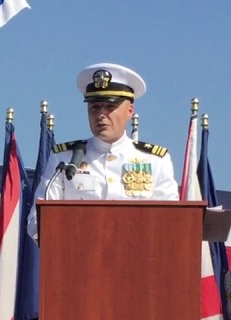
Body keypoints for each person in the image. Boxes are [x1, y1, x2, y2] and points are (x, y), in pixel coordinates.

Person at [25, 62, 177, 238]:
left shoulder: (156, 160)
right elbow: (37, 221)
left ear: (130, 111)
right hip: (76, 259)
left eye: (110, 107)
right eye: (95, 108)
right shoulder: (65, 158)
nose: (101, 115)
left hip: (138, 260)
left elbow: (171, 221)